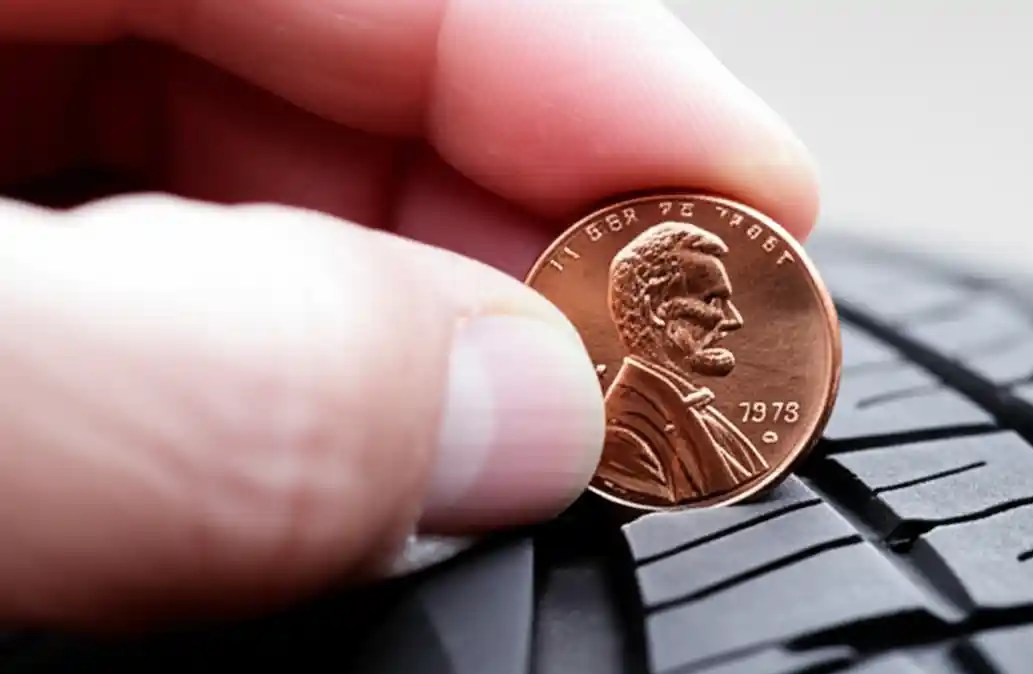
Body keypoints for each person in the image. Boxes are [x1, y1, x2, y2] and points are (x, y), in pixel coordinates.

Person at [0, 0, 817, 630]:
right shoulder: (629, 433)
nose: (734, 323)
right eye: (710, 302)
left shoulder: (695, 428)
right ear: (644, 312)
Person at [597, 222, 768, 503]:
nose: (734, 320)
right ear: (656, 310)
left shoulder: (693, 409)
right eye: (714, 302)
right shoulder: (623, 436)